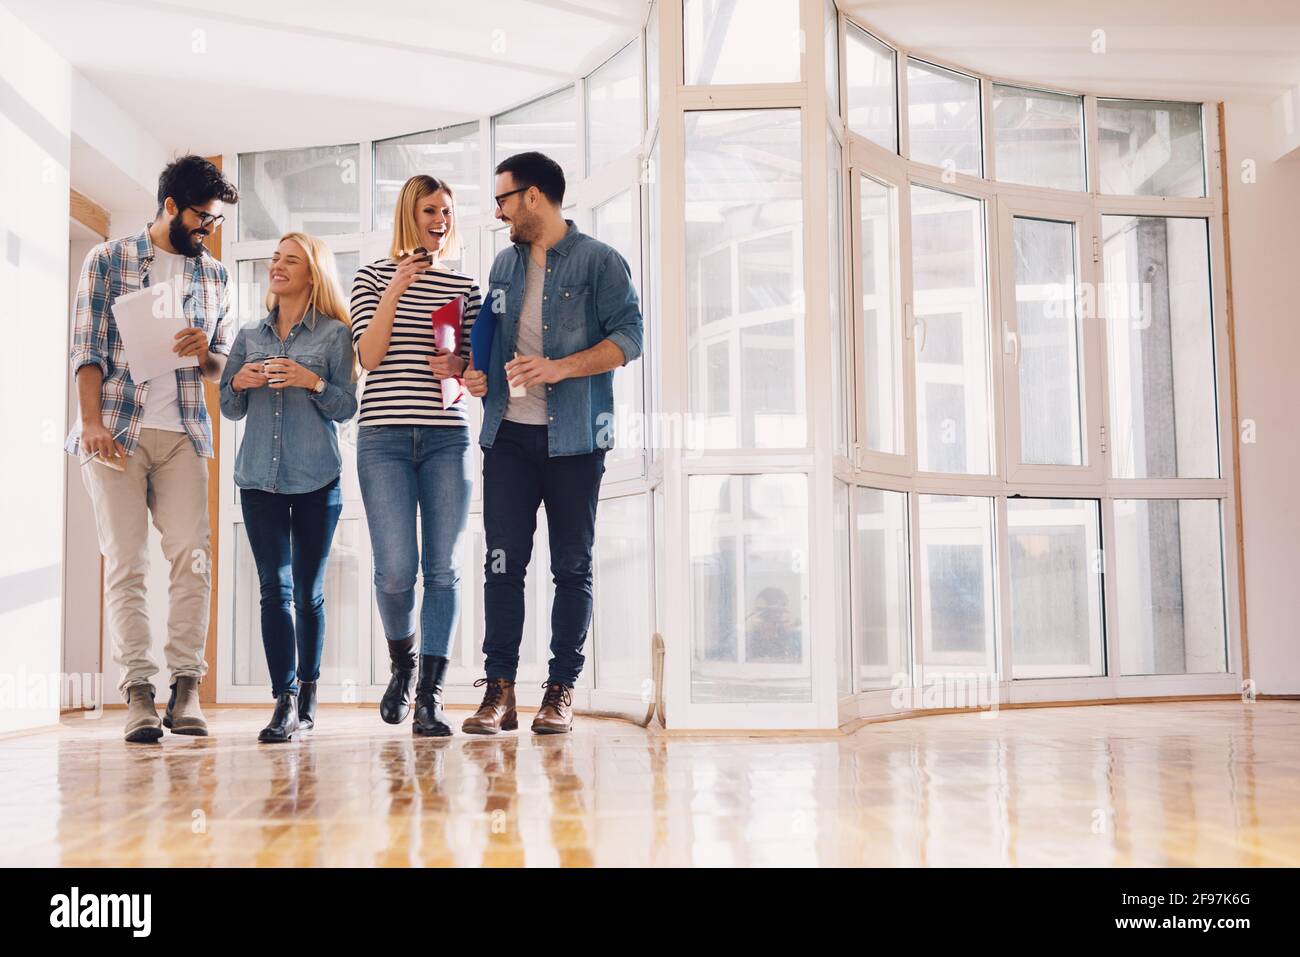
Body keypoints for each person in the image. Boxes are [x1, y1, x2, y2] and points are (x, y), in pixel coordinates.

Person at [462, 151, 643, 734]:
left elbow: (631, 338)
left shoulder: (600, 262)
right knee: (502, 566)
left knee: (573, 566)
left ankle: (560, 690)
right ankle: (500, 691)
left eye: (503, 199)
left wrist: (559, 368)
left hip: (576, 442)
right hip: (507, 438)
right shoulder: (501, 268)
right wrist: (475, 374)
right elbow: (490, 338)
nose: (499, 212)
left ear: (533, 196)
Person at [66, 154, 238, 743]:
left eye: (214, 221)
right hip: (115, 430)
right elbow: (85, 349)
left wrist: (202, 353)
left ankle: (185, 685)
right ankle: (138, 691)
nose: (208, 230)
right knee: (127, 562)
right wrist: (90, 423)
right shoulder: (108, 260)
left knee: (194, 557)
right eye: (202, 218)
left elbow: (221, 365)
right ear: (170, 206)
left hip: (184, 432)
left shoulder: (214, 276)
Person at [350, 175, 480, 736]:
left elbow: (475, 375)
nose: (441, 220)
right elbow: (370, 357)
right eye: (431, 209)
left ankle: (430, 694)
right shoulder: (369, 278)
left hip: (446, 436)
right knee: (396, 571)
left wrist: (460, 370)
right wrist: (396, 289)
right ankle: (401, 665)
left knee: (444, 570)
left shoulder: (463, 286)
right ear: (409, 214)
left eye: (448, 211)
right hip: (383, 437)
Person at [219, 232, 357, 743]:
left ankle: (310, 688)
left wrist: (310, 381)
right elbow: (228, 406)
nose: (277, 266)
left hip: (318, 478)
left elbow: (347, 406)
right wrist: (239, 383)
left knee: (307, 592)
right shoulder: (249, 335)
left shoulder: (335, 336)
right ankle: (285, 699)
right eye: (276, 258)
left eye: (290, 260)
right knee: (273, 590)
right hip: (258, 478)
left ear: (311, 274)